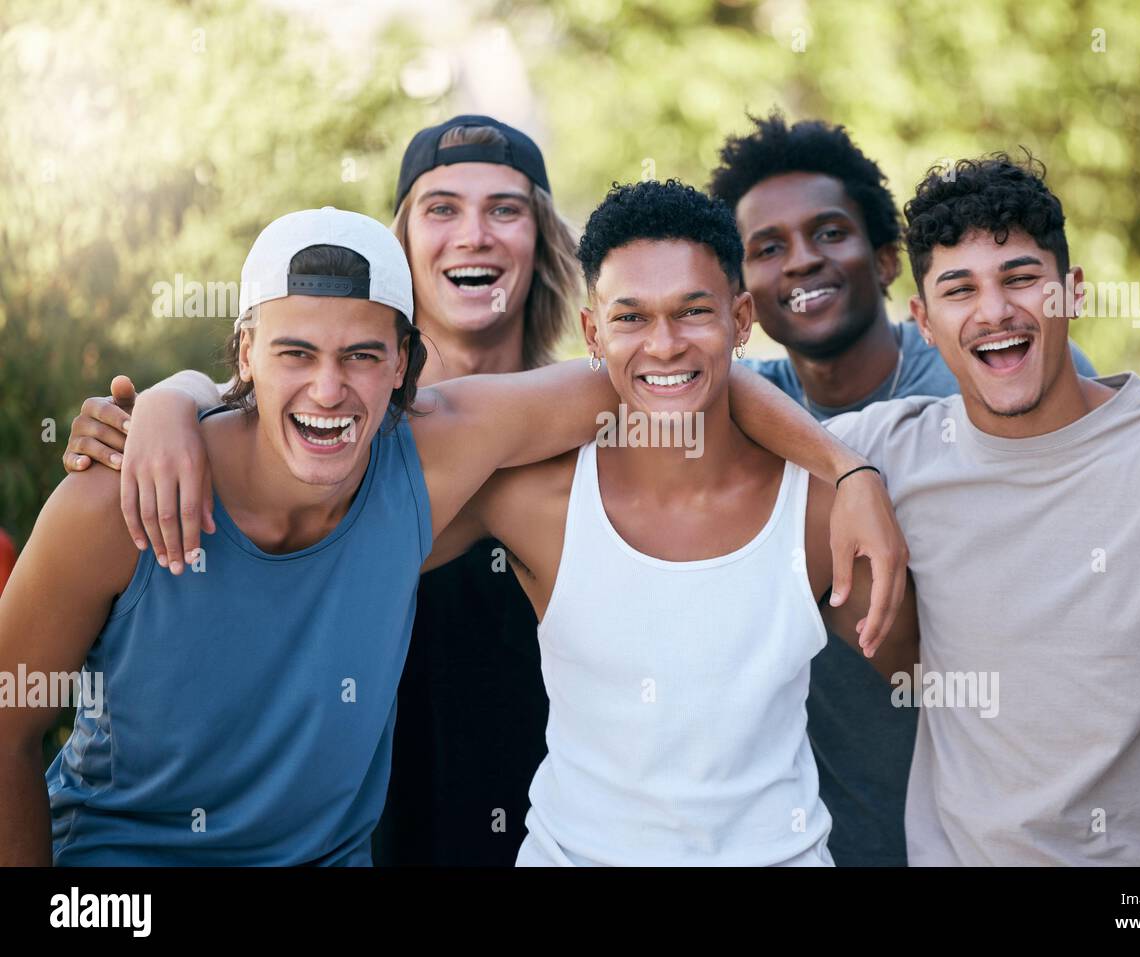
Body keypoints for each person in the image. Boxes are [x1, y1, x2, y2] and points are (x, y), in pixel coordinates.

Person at [0, 206, 904, 865]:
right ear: (244, 356)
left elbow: (668, 368)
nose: (328, 388)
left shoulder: (427, 463)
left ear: (406, 364)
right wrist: (170, 397)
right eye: (294, 353)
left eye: (362, 354)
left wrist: (846, 467)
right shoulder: (116, 497)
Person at [709, 112, 1140, 866]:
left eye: (1020, 279)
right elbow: (680, 389)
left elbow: (1078, 427)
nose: (995, 308)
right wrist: (846, 469)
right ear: (926, 315)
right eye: (767, 248)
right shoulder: (856, 436)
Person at [63, 115, 575, 865]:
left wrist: (820, 459)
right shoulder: (302, 439)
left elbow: (666, 375)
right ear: (399, 252)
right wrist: (177, 398)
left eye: (505, 208)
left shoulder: (571, 439)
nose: (474, 235)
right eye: (442, 208)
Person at [422, 178, 915, 865]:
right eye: (630, 318)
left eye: (692, 312)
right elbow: (370, 504)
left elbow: (918, 680)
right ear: (592, 331)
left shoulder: (823, 513)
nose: (664, 344)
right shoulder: (536, 500)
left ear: (741, 320)